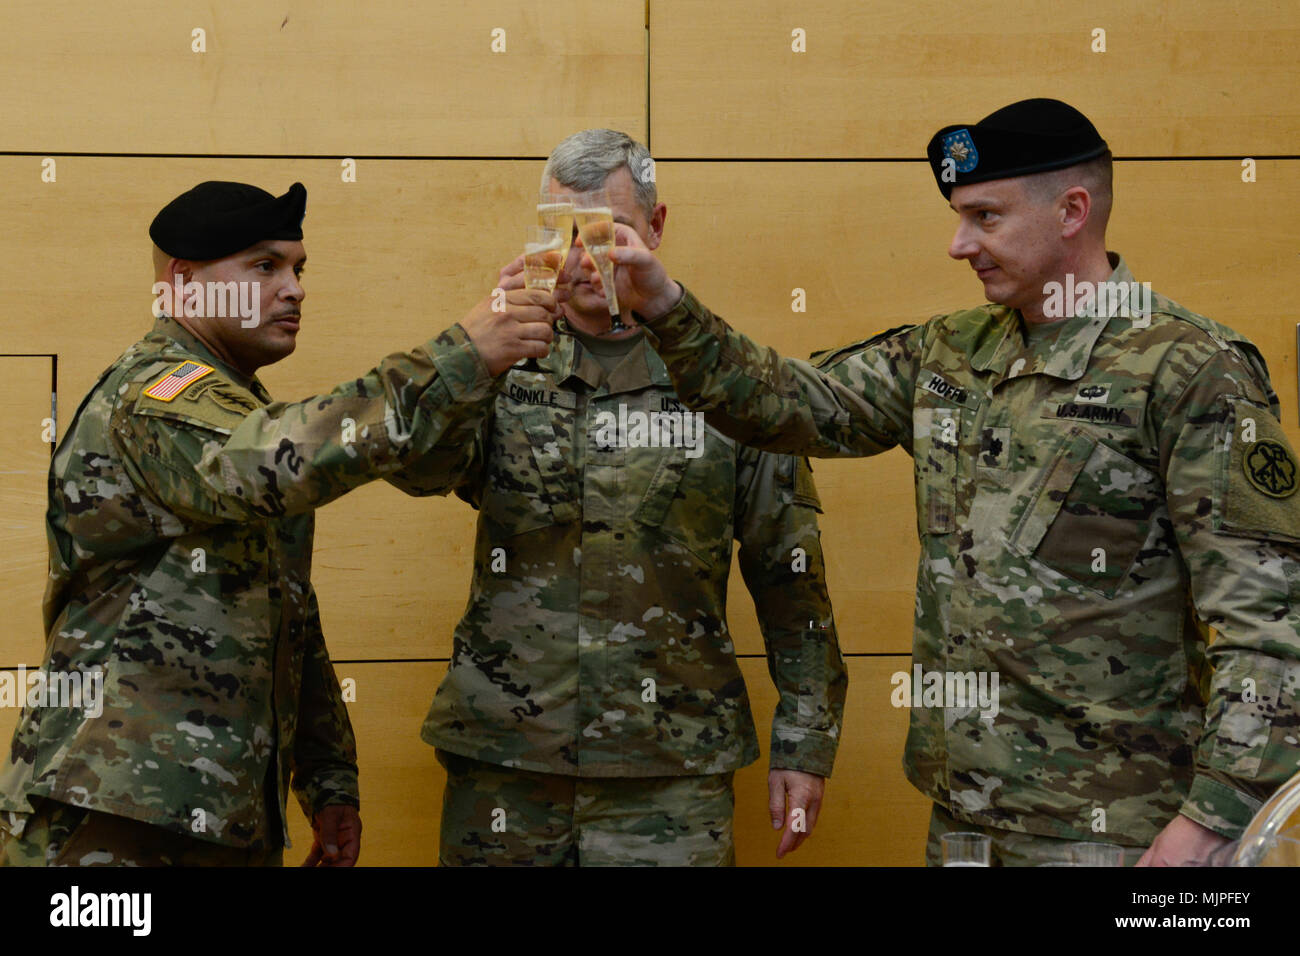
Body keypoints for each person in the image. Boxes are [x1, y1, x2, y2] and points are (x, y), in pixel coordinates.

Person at [594, 99, 1300, 866]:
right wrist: (661, 303)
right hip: (964, 818)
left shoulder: (1191, 371)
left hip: (1120, 832)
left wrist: (1211, 821)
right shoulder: (950, 352)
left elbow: (1270, 626)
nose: (959, 244)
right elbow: (787, 406)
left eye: (985, 217)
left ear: (1072, 210)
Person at [0, 180, 557, 866]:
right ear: (185, 283)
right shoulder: (155, 398)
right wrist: (461, 354)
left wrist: (327, 781)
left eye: (298, 269)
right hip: (113, 821)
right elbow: (282, 460)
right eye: (264, 266)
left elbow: (285, 614)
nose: (294, 288)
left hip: (214, 817)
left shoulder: (234, 405)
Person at [388, 129, 847, 866]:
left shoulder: (730, 383)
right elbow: (415, 469)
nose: (584, 259)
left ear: (657, 228)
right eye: (563, 234)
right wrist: (467, 361)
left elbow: (790, 581)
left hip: (671, 773)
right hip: (508, 762)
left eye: (610, 233)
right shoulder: (503, 363)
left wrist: (805, 743)